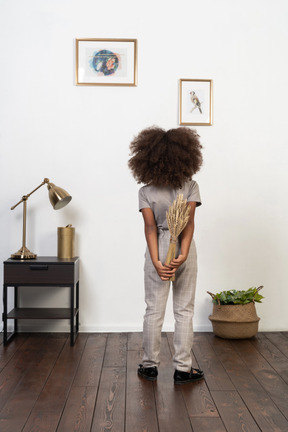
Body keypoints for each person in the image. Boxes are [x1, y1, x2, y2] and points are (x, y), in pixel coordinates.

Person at [128, 126, 204, 384]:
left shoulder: (146, 191)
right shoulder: (190, 186)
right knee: (184, 311)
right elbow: (189, 223)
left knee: (154, 310)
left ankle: (149, 366)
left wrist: (157, 261)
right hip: (185, 246)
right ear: (185, 155)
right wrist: (182, 254)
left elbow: (150, 227)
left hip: (158, 246)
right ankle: (183, 369)